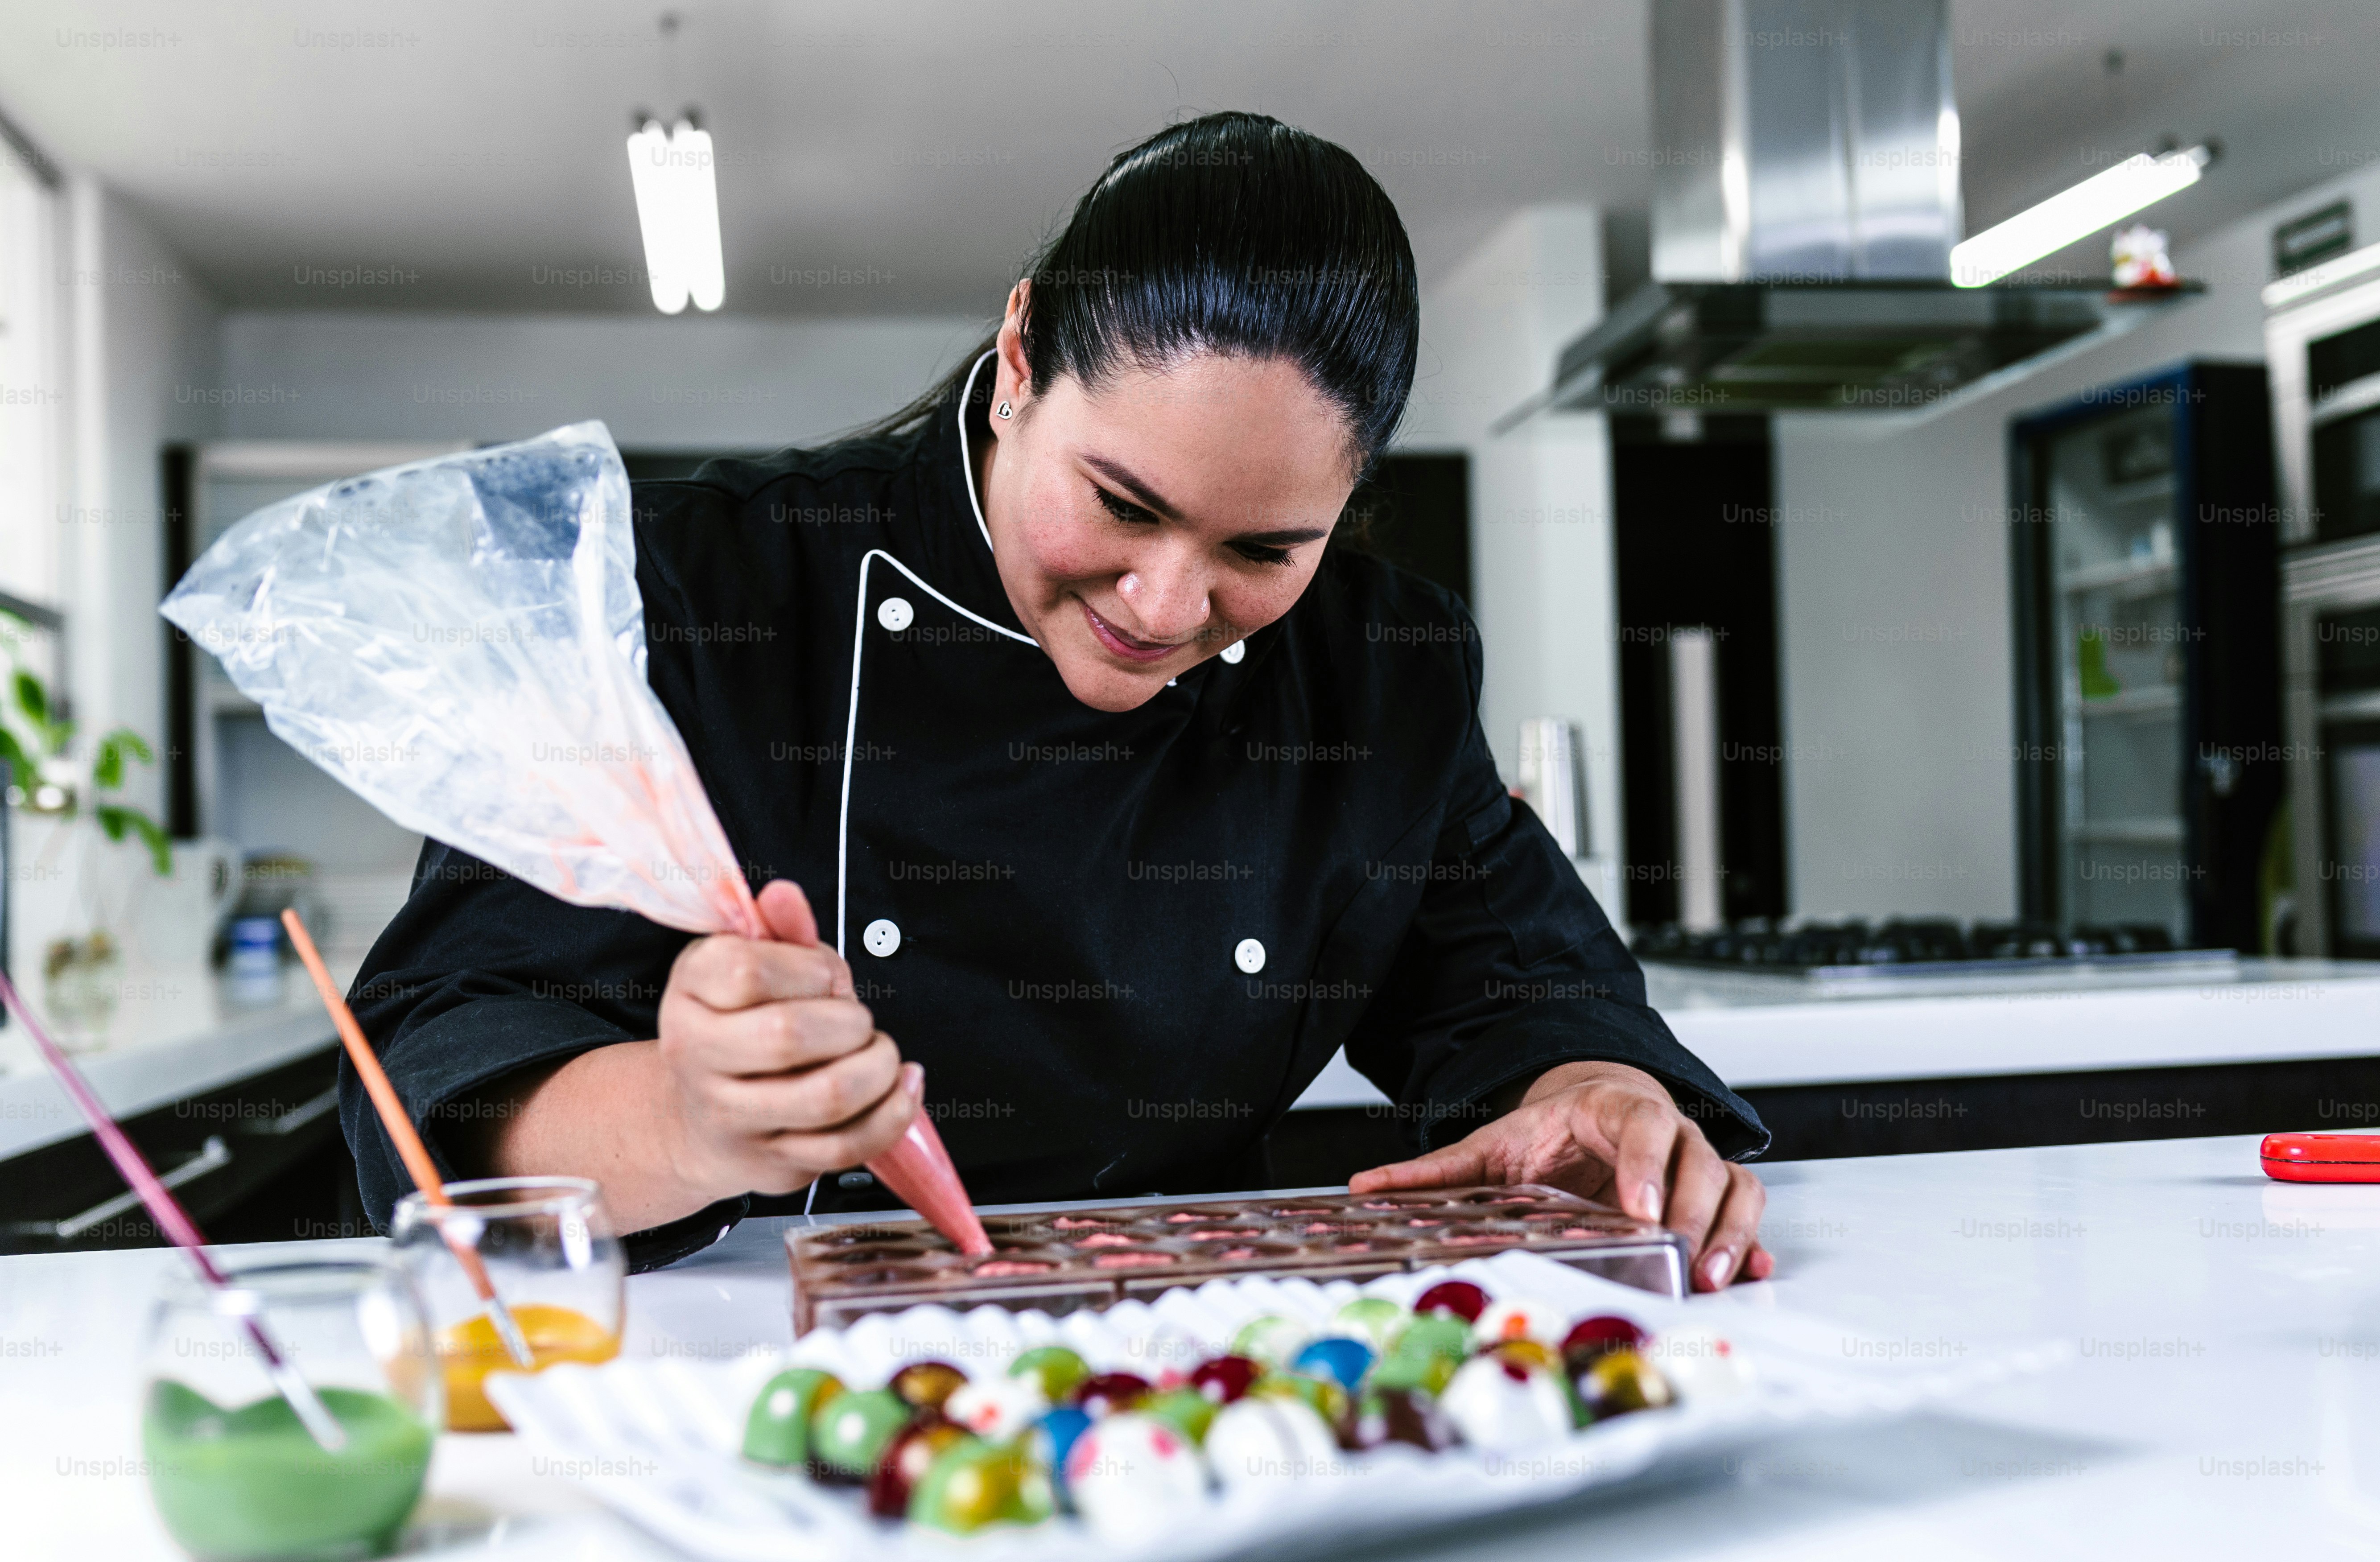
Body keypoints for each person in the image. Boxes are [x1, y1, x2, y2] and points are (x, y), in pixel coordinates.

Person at [344, 111, 1774, 1286]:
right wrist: (693, 1115)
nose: (1165, 605)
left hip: (1200, 1356)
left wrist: (1601, 1098)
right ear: (1021, 353)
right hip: (748, 1375)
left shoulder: (1376, 664)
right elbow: (447, 1065)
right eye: (1120, 503)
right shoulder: (695, 593)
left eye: (1260, 549)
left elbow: (1517, 983)